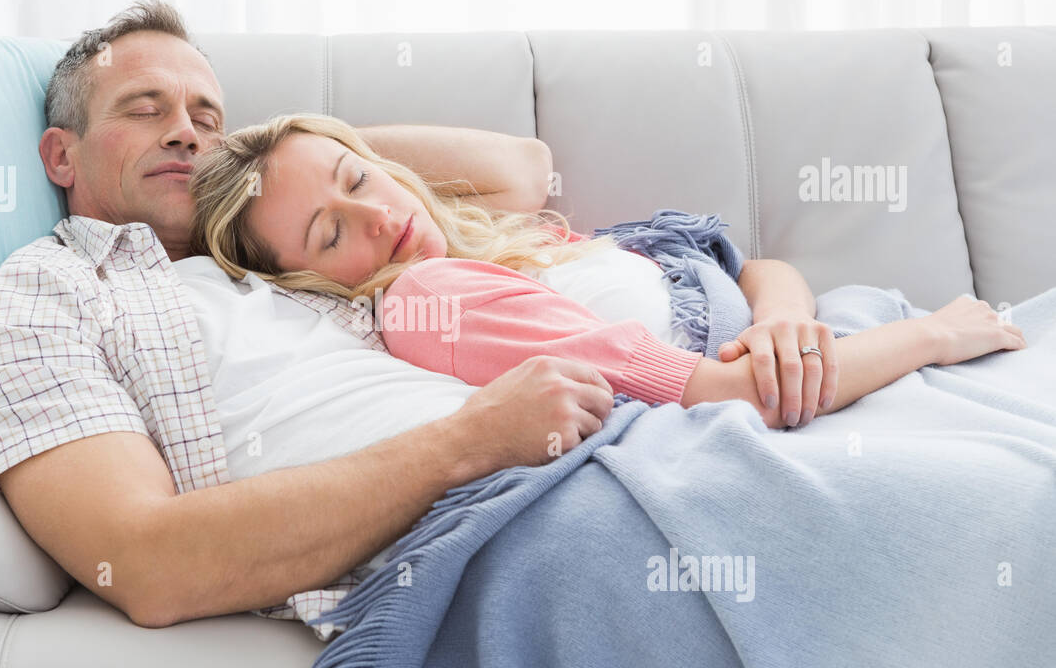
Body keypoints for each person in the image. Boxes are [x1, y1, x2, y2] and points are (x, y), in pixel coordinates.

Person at [0, 0, 620, 632]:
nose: (184, 133)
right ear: (62, 154)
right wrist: (473, 440)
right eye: (145, 111)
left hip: (602, 438)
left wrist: (291, 158)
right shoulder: (41, 297)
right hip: (512, 512)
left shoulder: (274, 238)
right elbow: (143, 561)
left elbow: (522, 173)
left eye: (206, 118)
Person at [186, 112, 1029, 427]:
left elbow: (760, 270)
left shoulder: (493, 244)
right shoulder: (428, 297)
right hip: (832, 379)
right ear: (309, 286)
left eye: (359, 176)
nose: (380, 216)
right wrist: (930, 335)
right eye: (332, 236)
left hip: (828, 345)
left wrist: (778, 324)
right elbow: (726, 393)